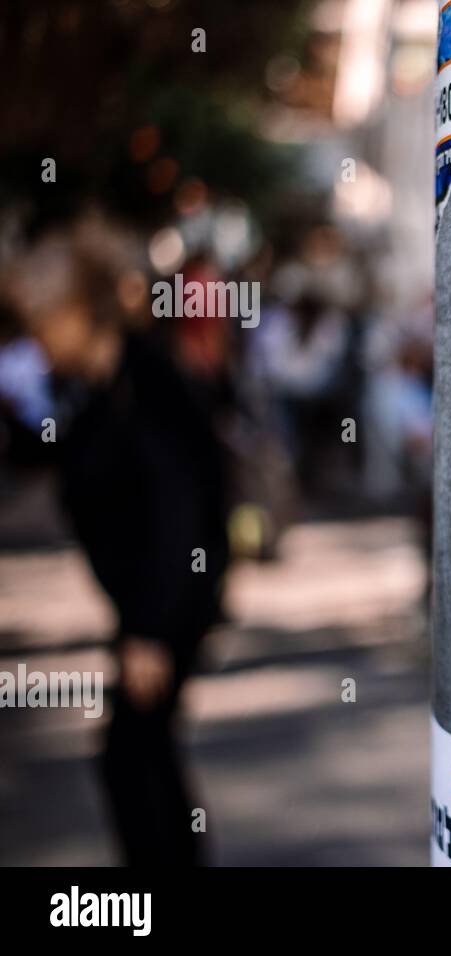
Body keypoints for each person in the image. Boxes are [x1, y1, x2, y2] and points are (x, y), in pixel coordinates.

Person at [4, 225, 229, 864]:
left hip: (167, 603)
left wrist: (149, 631)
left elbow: (180, 514)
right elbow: (67, 453)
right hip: (144, 604)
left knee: (131, 760)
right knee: (140, 756)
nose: (37, 338)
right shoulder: (99, 384)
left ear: (76, 313)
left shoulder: (148, 379)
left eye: (42, 321)